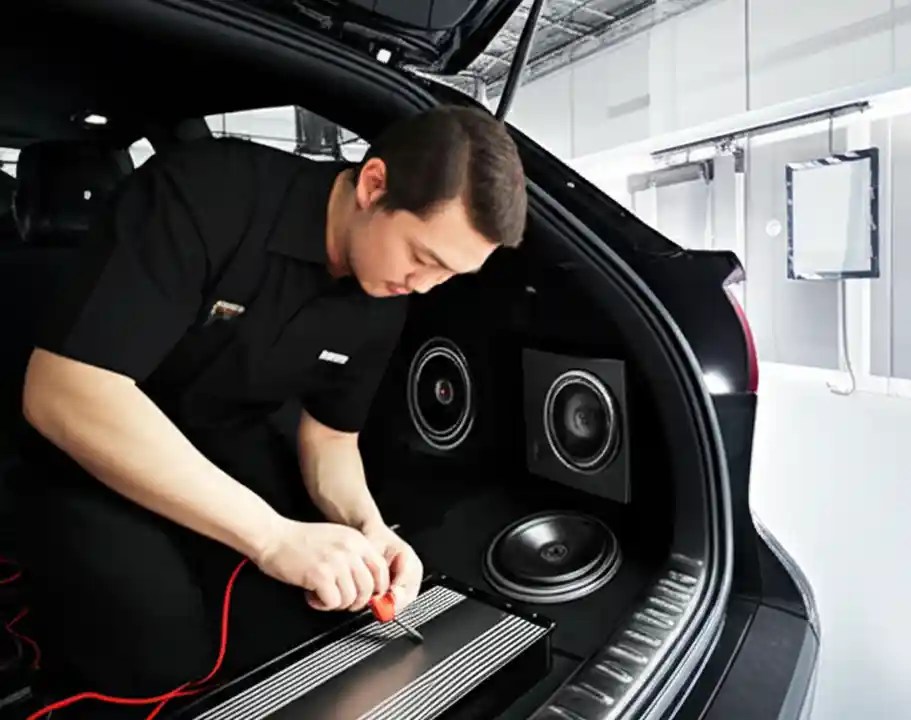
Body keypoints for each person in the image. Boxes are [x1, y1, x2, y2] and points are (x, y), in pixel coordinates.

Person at [13, 104, 528, 703]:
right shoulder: (208, 192)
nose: (423, 286)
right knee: (158, 654)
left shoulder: (386, 293)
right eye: (423, 257)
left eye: (448, 275)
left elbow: (331, 438)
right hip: (91, 454)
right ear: (373, 185)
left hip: (231, 446)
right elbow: (66, 388)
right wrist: (272, 537)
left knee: (319, 618)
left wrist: (366, 525)